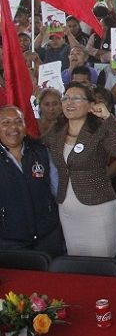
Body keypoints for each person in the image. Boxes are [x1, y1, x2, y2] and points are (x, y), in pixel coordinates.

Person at [43, 83, 116, 257]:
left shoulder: (100, 129)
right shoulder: (57, 130)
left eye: (76, 98)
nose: (69, 102)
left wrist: (108, 118)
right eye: (66, 98)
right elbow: (36, 147)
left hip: (97, 208)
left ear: (91, 104)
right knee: (76, 262)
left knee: (101, 264)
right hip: (67, 209)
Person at [0, 106, 64, 256]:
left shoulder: (41, 152)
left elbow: (57, 190)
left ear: (25, 125)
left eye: (18, 121)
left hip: (48, 235)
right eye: (5, 122)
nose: (13, 127)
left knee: (53, 278)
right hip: (9, 240)